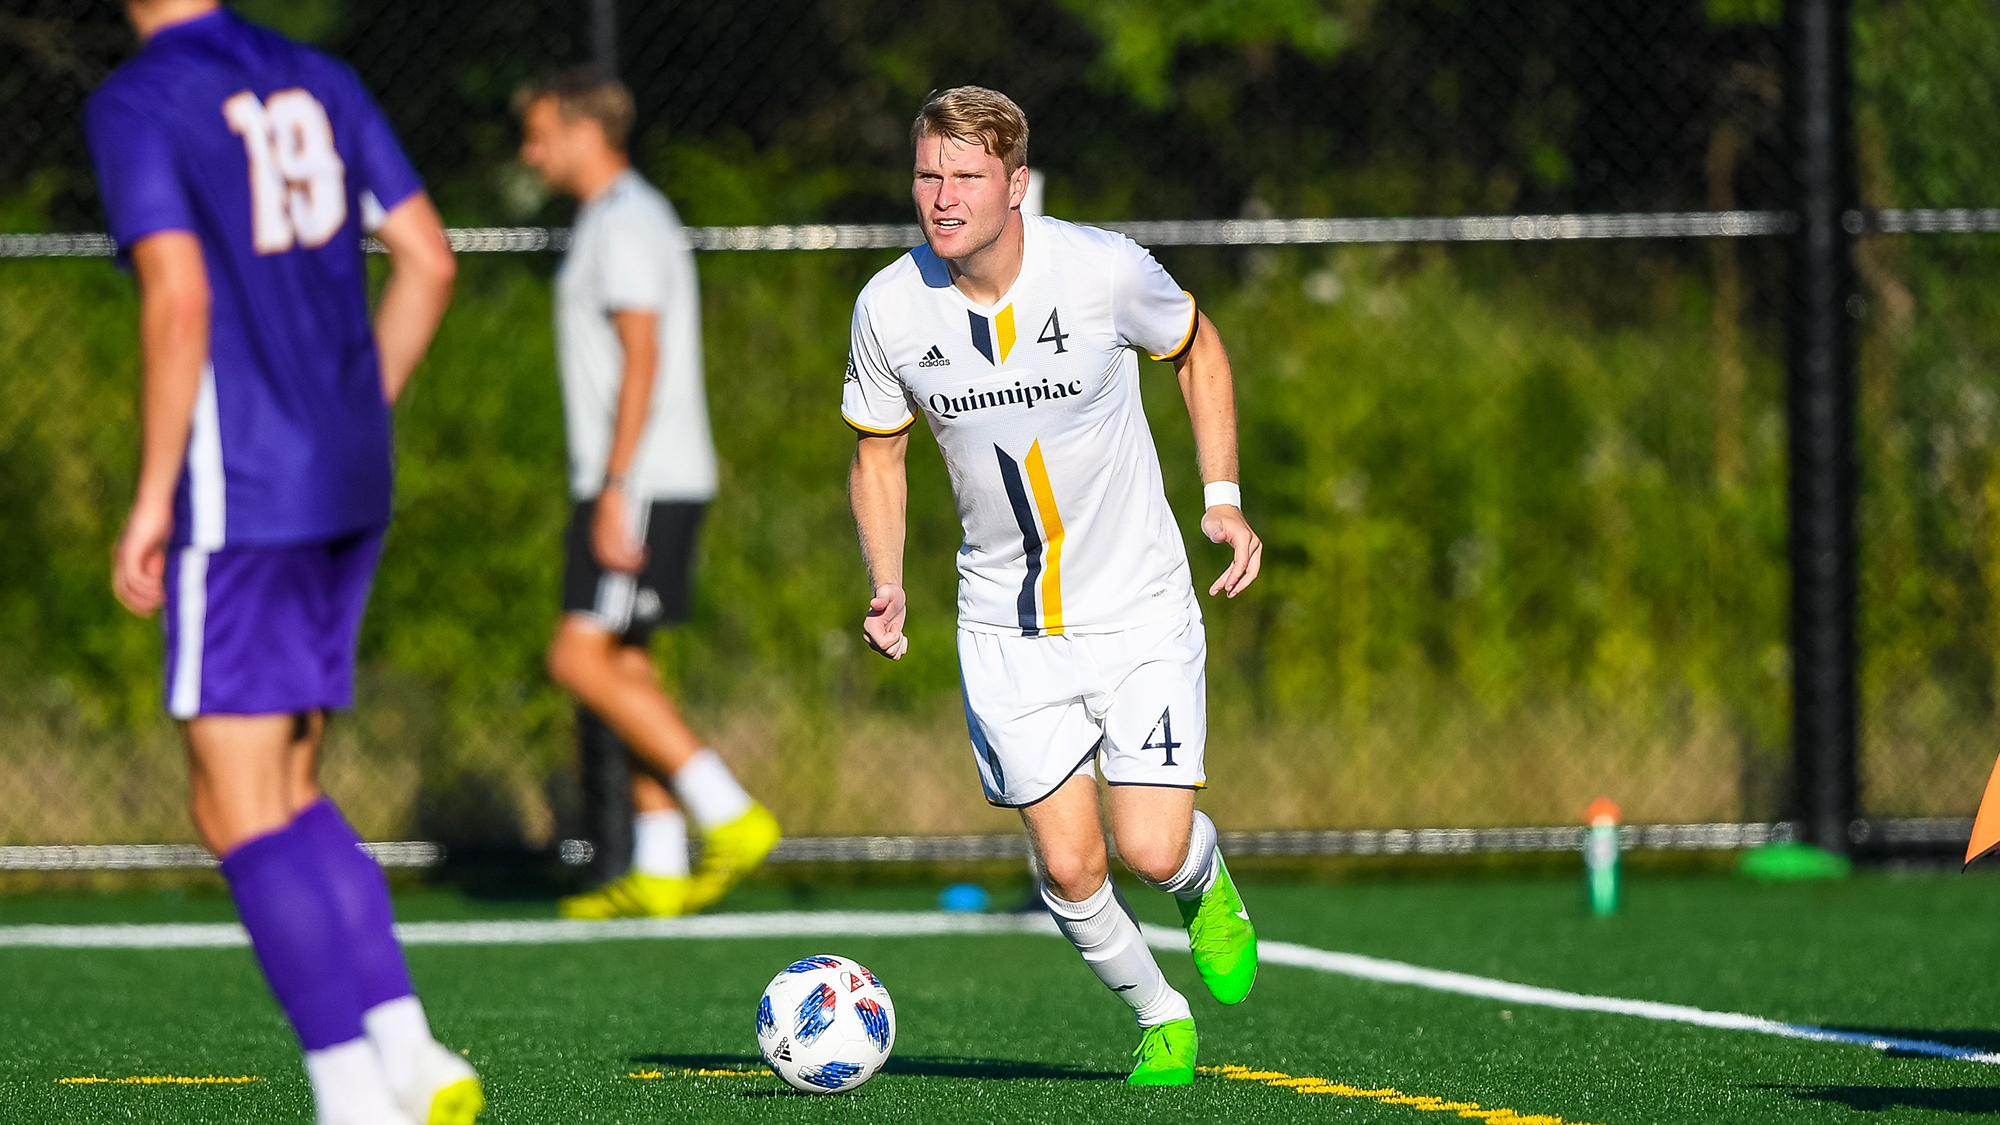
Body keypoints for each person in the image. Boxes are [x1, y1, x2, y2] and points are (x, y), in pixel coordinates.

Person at [86, 2, 474, 1122]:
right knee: (291, 789)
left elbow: (180, 295)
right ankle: (408, 1057)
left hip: (243, 490)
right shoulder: (321, 75)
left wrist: (154, 495)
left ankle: (351, 1096)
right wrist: (352, 416)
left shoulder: (141, 98)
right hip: (347, 479)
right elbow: (429, 263)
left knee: (235, 806)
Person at [844, 86, 1264, 1086]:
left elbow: (1196, 347)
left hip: (1137, 608)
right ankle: (1160, 1018)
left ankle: (1202, 884)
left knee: (1150, 848)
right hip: (1005, 627)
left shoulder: (1100, 271)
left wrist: (1222, 496)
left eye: (964, 176)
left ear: (1015, 184)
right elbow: (877, 458)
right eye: (926, 175)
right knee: (1072, 868)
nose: (940, 198)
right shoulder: (888, 308)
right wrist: (886, 583)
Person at [515, 69, 782, 920]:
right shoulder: (612, 219)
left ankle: (730, 812)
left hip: (640, 480)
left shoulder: (627, 221)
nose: (531, 150)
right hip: (636, 478)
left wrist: (616, 486)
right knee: (625, 663)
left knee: (576, 656)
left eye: (539, 131)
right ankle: (663, 862)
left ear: (583, 127)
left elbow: (643, 354)